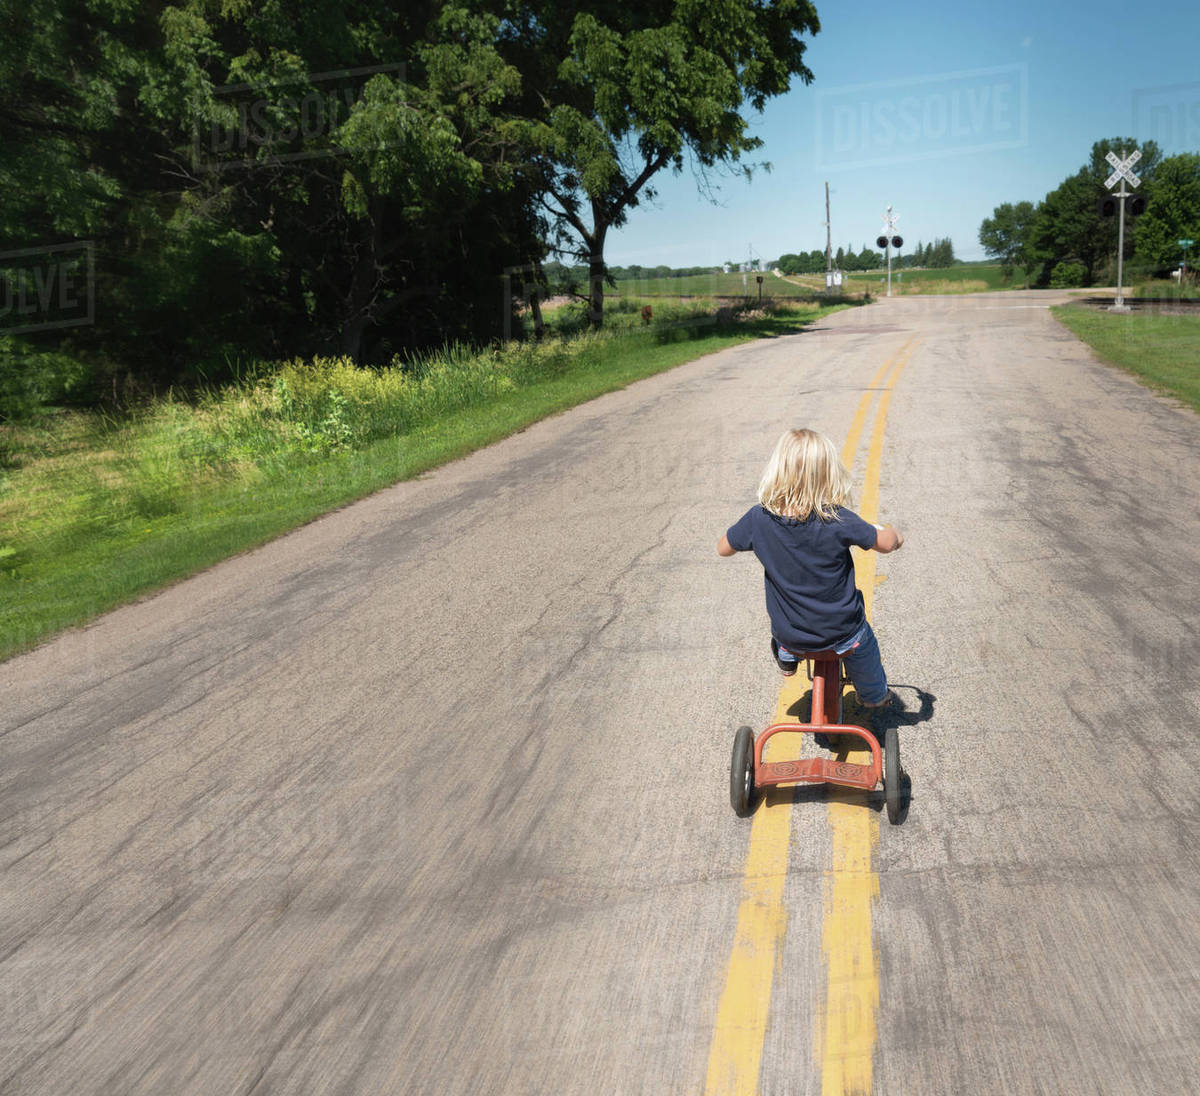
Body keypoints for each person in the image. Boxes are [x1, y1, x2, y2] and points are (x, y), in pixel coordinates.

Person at [717, 427, 903, 712]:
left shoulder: (758, 518)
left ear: (777, 470)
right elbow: (886, 543)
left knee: (782, 623)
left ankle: (787, 659)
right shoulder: (838, 519)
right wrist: (895, 535)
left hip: (790, 633)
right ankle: (874, 694)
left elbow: (723, 548)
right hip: (842, 633)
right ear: (828, 473)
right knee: (863, 645)